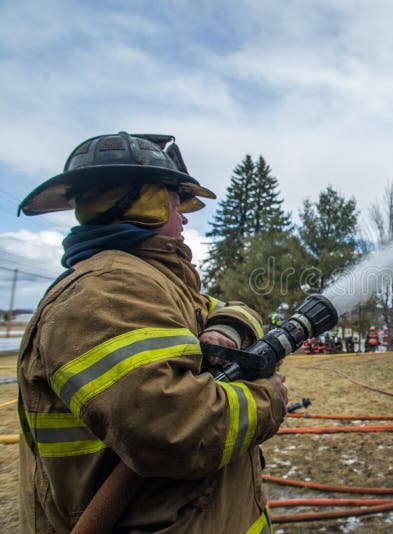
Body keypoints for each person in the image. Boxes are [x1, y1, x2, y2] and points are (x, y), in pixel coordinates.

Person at [16, 132, 287, 533]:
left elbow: (235, 309)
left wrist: (226, 330)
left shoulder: (162, 283)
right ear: (148, 204)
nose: (184, 216)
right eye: (177, 201)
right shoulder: (104, 291)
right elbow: (173, 430)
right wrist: (270, 400)